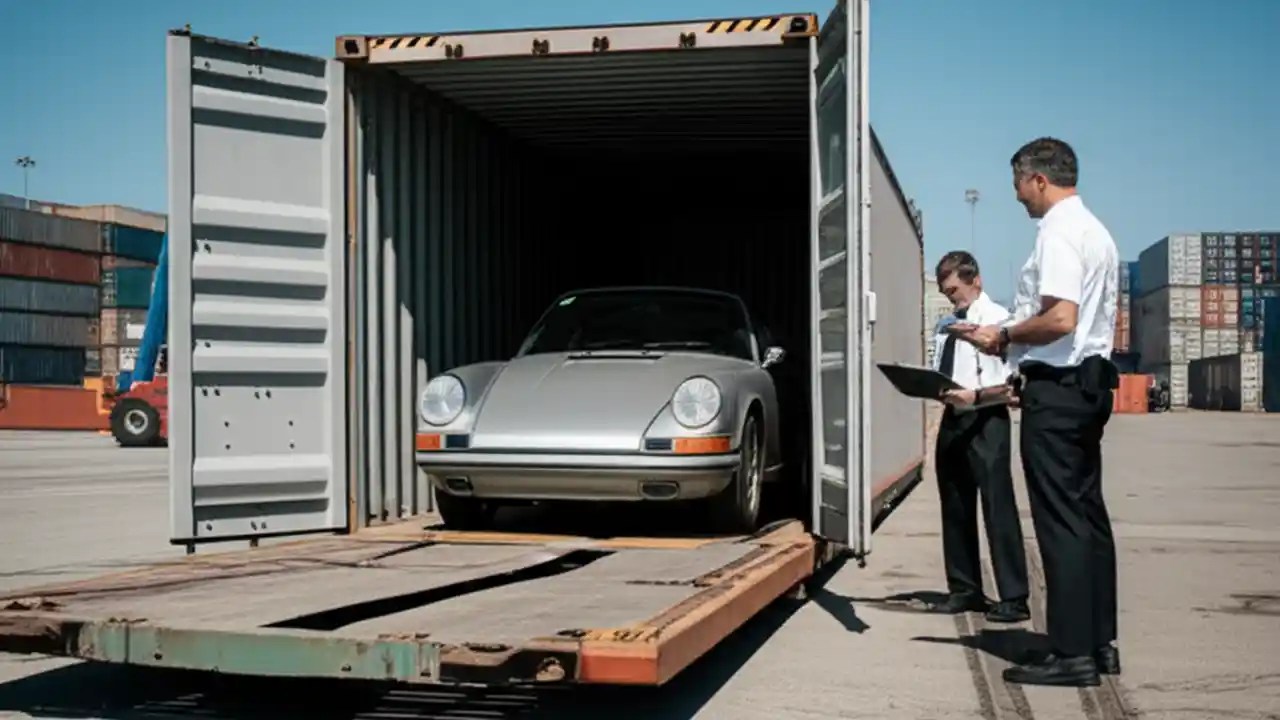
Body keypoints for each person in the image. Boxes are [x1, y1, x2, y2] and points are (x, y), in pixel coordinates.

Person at [953, 137, 1121, 687]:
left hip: (1061, 390)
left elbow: (1059, 319)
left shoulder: (1056, 232)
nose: (1017, 195)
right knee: (1088, 517)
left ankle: (1071, 654)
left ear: (1039, 180)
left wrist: (1002, 336)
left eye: (1018, 184)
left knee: (1060, 522)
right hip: (1089, 386)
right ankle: (1099, 644)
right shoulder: (1096, 230)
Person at [926, 251, 1029, 624]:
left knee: (997, 505)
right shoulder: (947, 325)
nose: (951, 298)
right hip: (953, 416)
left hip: (987, 419)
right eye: (945, 292)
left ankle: (1015, 596)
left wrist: (975, 398)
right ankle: (965, 588)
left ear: (976, 281)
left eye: (954, 290)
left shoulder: (1000, 321)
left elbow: (1011, 386)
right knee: (954, 504)